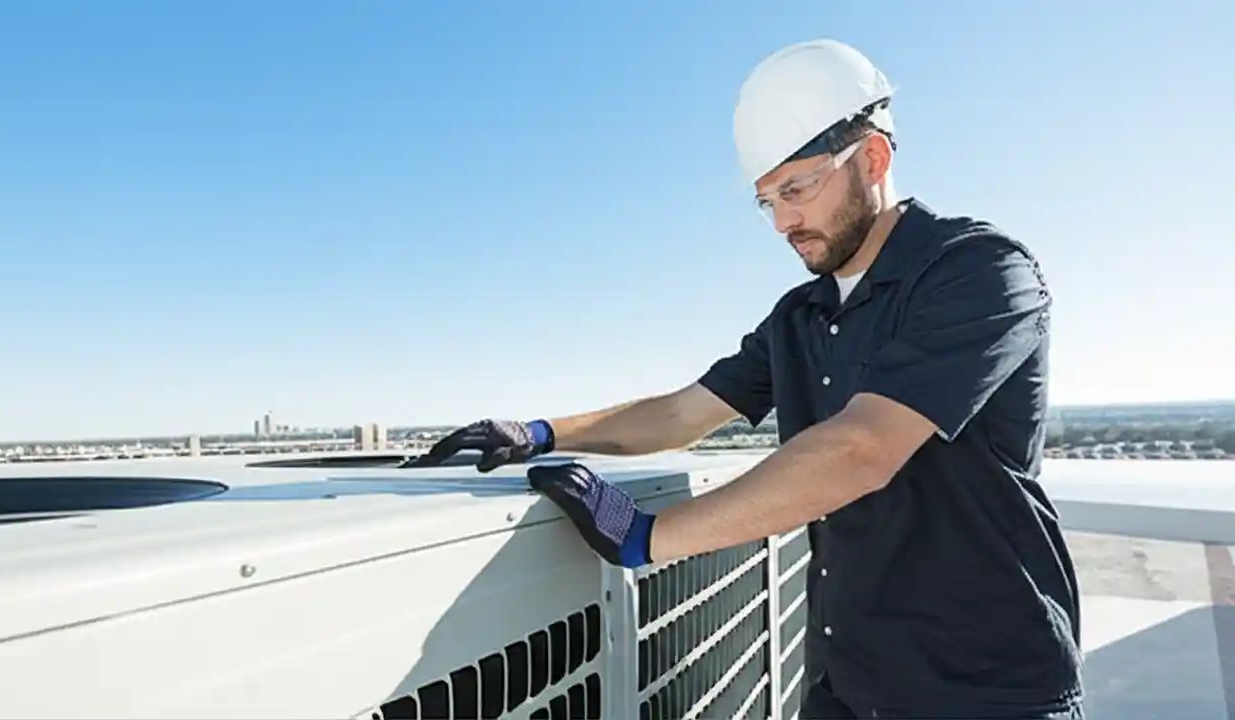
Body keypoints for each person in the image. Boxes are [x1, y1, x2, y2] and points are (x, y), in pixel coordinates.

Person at [404, 38, 1084, 719]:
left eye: (798, 188)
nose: (784, 221)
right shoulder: (801, 316)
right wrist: (541, 431)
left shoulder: (978, 273)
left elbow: (862, 449)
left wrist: (648, 536)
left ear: (873, 158)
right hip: (847, 687)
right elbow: (680, 415)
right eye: (767, 200)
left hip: (989, 692)